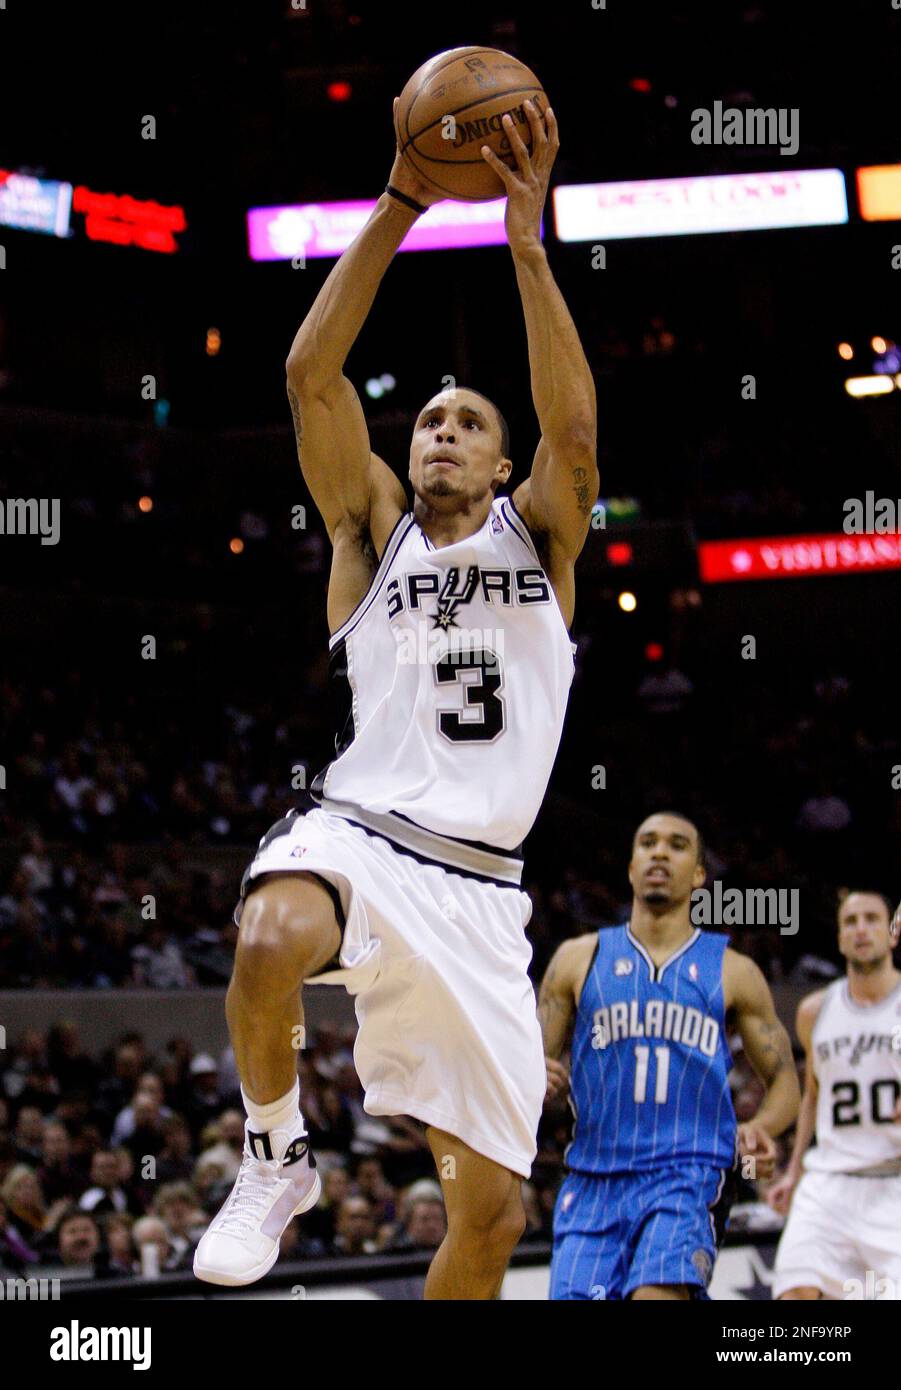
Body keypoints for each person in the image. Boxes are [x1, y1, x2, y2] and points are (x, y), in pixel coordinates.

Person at [194, 95, 597, 1301]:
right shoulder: (371, 539)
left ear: (498, 462)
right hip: (363, 834)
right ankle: (276, 1158)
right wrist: (402, 200)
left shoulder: (541, 540)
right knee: (267, 933)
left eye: (467, 424)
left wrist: (526, 244)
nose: (440, 434)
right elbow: (309, 373)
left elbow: (574, 429)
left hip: (479, 894)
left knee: (489, 1213)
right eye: (425, 419)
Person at [540, 810, 800, 1299]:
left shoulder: (733, 970)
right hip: (593, 1177)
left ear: (700, 875)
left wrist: (762, 1126)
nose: (660, 852)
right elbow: (530, 1073)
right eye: (648, 843)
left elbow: (786, 1081)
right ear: (631, 866)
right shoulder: (576, 959)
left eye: (677, 845)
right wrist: (533, 1076)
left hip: (688, 1172)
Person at [767, 890, 901, 1299]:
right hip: (829, 1181)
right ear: (840, 938)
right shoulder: (814, 1011)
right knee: (793, 1290)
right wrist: (794, 1171)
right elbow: (813, 1094)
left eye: (872, 919)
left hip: (893, 1179)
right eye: (851, 922)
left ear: (892, 933)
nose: (861, 929)